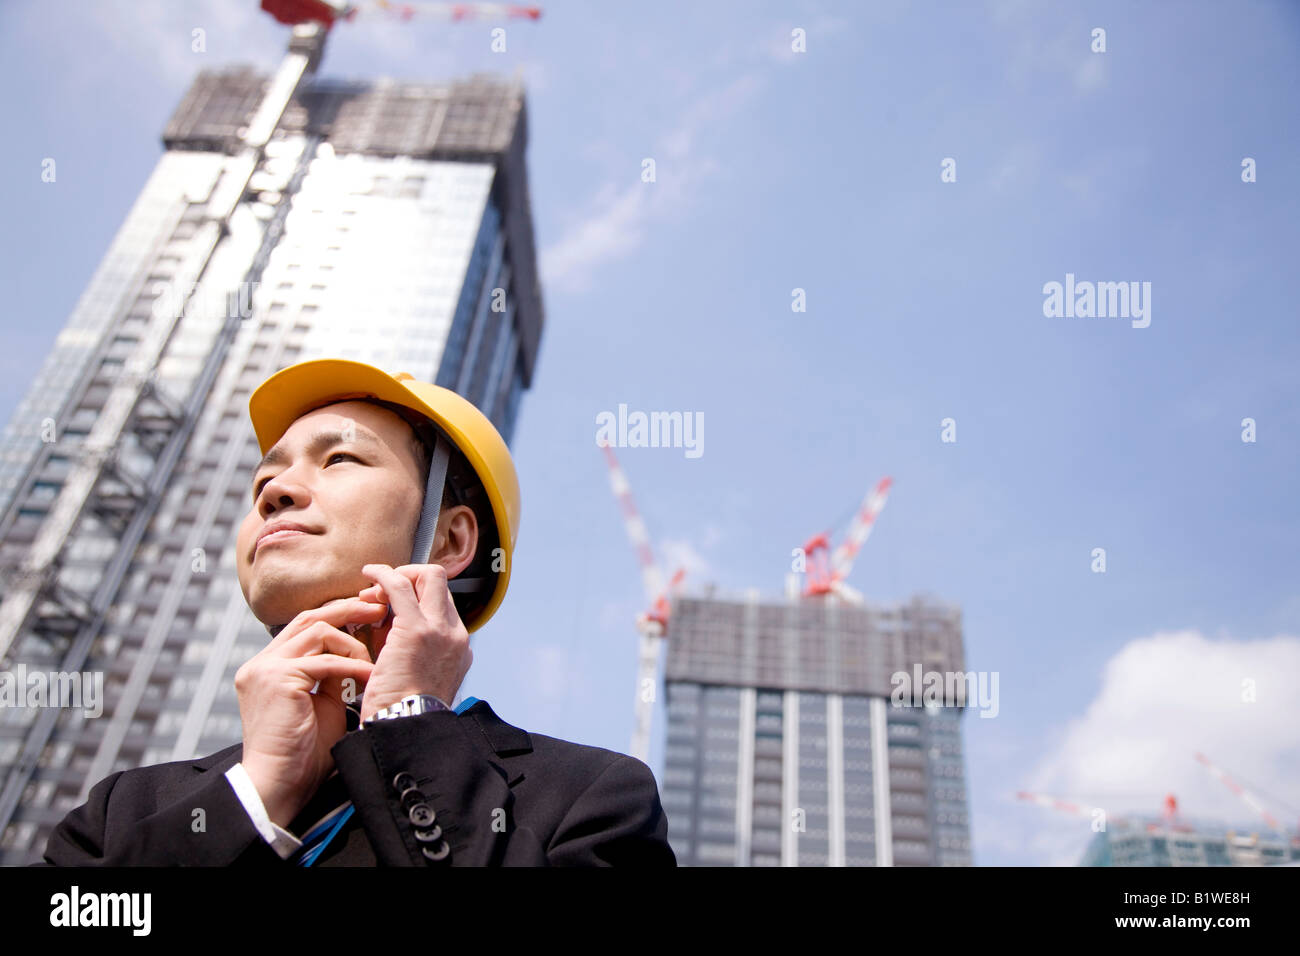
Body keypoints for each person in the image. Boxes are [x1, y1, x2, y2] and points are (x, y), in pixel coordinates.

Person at [40, 358, 676, 866]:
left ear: (451, 541)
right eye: (263, 483)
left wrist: (409, 727)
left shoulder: (589, 796)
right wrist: (255, 800)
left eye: (339, 459)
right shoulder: (123, 811)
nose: (275, 494)